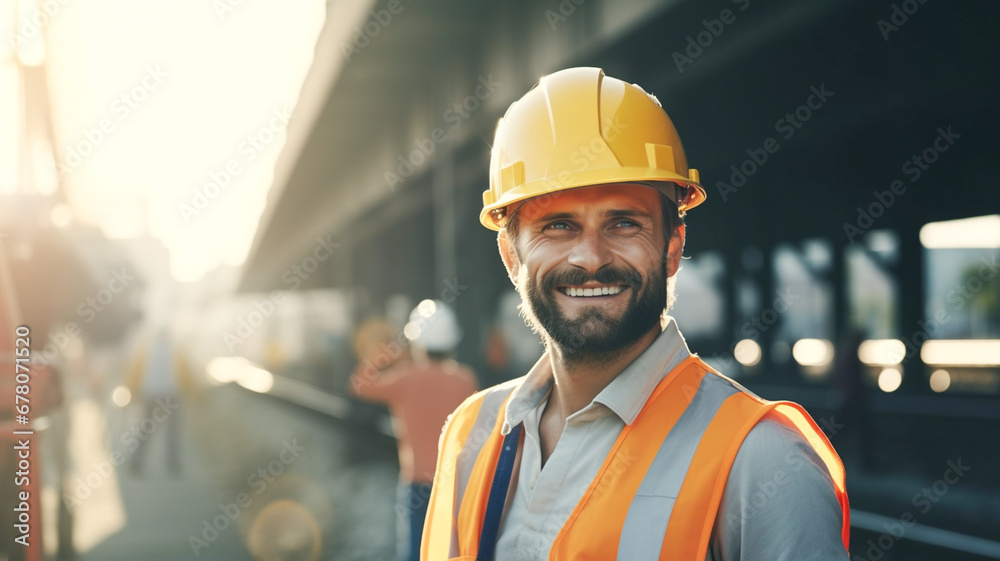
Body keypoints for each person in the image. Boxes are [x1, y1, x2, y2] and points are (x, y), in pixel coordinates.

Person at [421, 67, 850, 560]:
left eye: (624, 223)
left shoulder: (762, 461)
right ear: (512, 257)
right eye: (558, 226)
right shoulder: (469, 435)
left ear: (672, 247)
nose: (590, 257)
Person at [350, 301, 477, 561]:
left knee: (414, 554)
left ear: (416, 343)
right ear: (452, 342)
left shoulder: (404, 378)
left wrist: (388, 354)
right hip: (456, 483)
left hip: (416, 485)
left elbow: (359, 383)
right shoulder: (466, 379)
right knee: (456, 553)